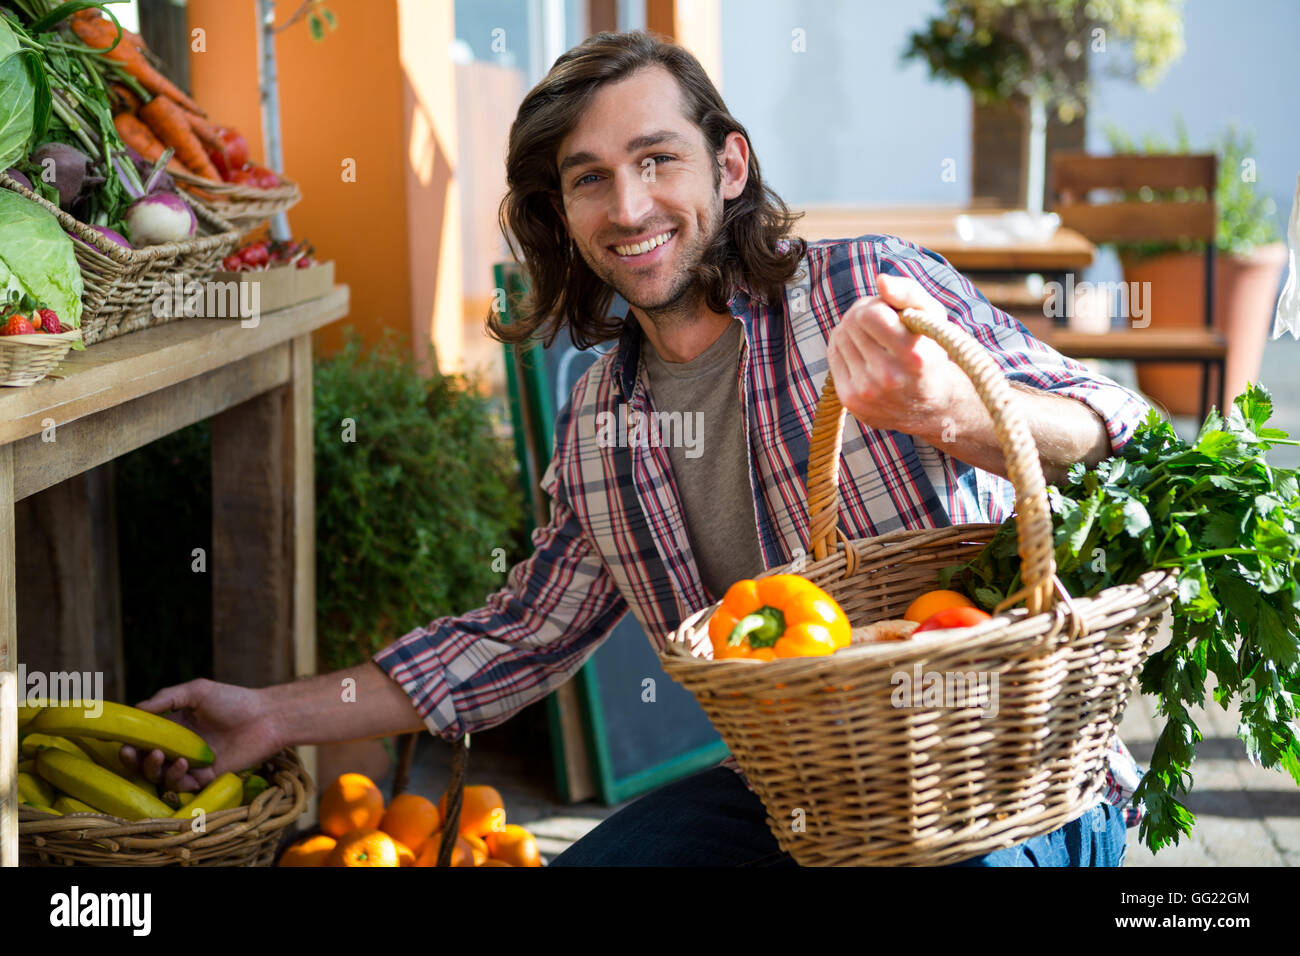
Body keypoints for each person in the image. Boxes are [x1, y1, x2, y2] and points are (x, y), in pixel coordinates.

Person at [124, 31, 1146, 867]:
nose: (628, 207)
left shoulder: (864, 288)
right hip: (800, 795)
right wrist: (268, 713)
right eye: (589, 180)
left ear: (729, 165)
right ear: (561, 217)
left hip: (1000, 783)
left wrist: (951, 415)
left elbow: (1113, 423)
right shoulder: (600, 423)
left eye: (657, 160)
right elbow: (515, 637)